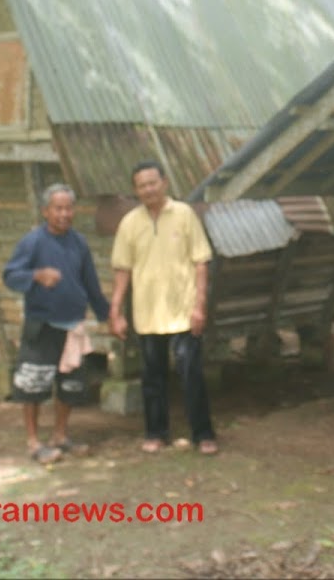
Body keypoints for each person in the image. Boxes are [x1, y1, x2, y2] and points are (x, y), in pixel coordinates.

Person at [109, 160, 218, 455]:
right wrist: (115, 310)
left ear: (164, 183)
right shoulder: (130, 223)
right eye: (141, 186)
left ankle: (203, 434)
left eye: (152, 183)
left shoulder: (184, 215)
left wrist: (199, 307)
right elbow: (122, 269)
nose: (148, 189)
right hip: (147, 314)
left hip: (183, 312)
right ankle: (156, 433)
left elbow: (201, 262)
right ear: (135, 190)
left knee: (191, 374)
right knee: (152, 377)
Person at [3, 183, 110, 464]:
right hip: (41, 327)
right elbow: (10, 276)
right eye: (58, 208)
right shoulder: (33, 242)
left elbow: (92, 285)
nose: (64, 214)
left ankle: (60, 436)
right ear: (45, 211)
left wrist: (108, 317)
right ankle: (33, 441)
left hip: (72, 328)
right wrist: (37, 275)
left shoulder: (79, 243)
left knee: (70, 385)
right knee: (33, 385)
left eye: (68, 208)